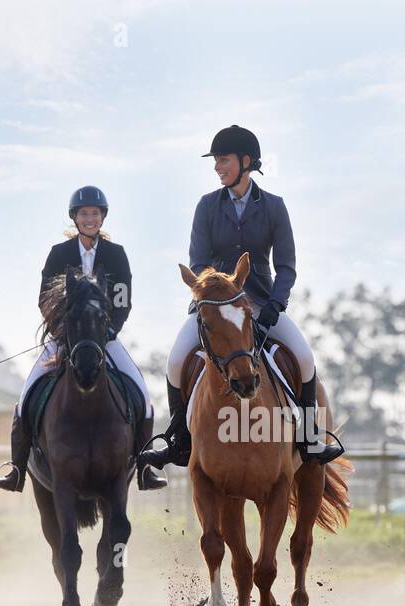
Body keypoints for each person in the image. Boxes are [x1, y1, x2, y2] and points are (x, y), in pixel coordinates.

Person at [139, 125, 344, 470]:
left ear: (245, 161)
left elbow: (287, 266)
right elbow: (198, 262)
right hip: (215, 310)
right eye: (216, 161)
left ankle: (309, 439)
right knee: (175, 362)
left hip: (263, 306)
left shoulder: (275, 207)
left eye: (224, 160)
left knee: (306, 360)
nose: (217, 167)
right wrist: (212, 298)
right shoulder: (206, 206)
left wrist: (275, 306)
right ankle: (178, 440)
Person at [0, 186, 166, 492]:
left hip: (106, 338)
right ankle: (17, 468)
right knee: (25, 396)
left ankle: (144, 467)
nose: (89, 219)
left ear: (102, 218)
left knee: (143, 395)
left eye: (95, 214)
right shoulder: (59, 254)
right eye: (84, 214)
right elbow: (45, 299)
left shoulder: (116, 255)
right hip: (64, 338)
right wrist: (62, 333)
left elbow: (123, 301)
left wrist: (109, 331)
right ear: (75, 218)